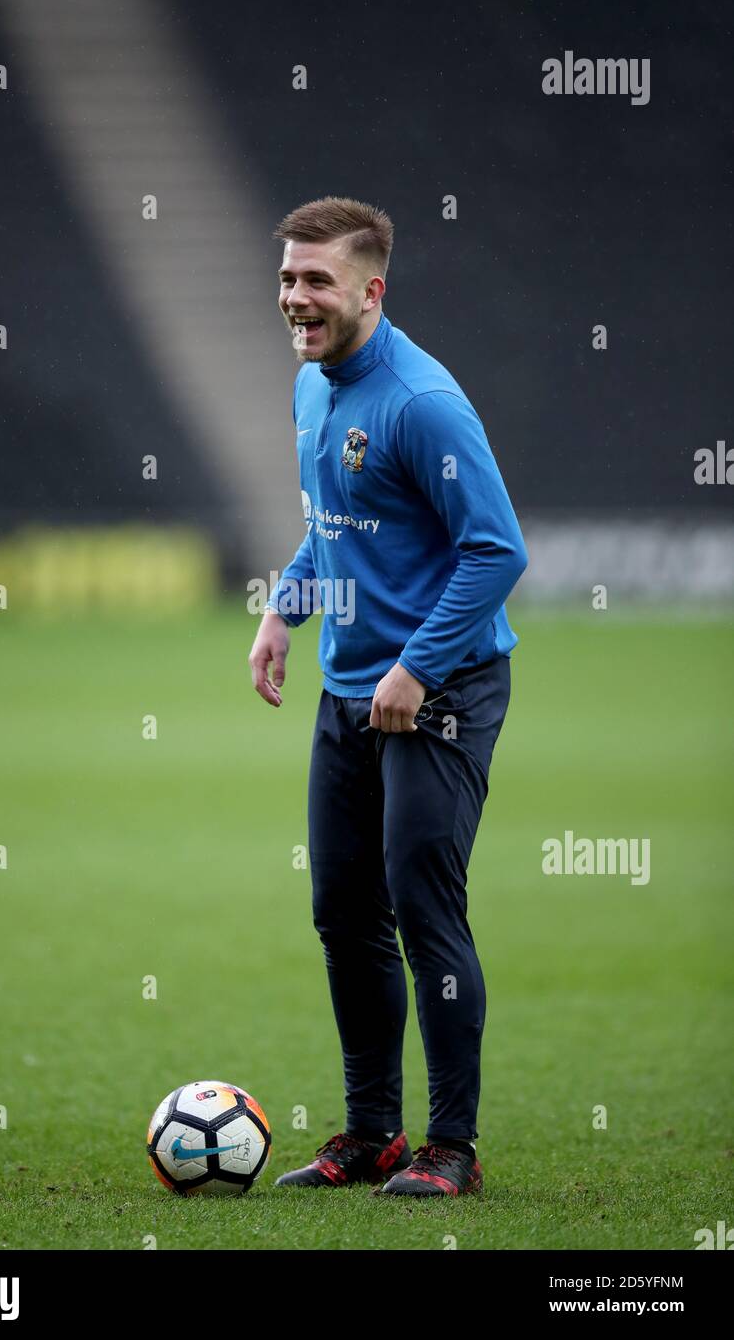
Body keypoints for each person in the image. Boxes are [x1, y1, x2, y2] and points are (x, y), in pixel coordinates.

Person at [248, 196, 528, 1198]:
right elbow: (334, 525)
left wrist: (415, 666)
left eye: (315, 280)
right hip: (349, 692)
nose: (295, 298)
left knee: (421, 905)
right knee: (341, 908)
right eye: (287, 277)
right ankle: (370, 1133)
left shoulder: (421, 403)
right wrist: (285, 605)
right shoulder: (311, 387)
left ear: (372, 290)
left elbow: (496, 552)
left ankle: (449, 1145)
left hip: (439, 691)